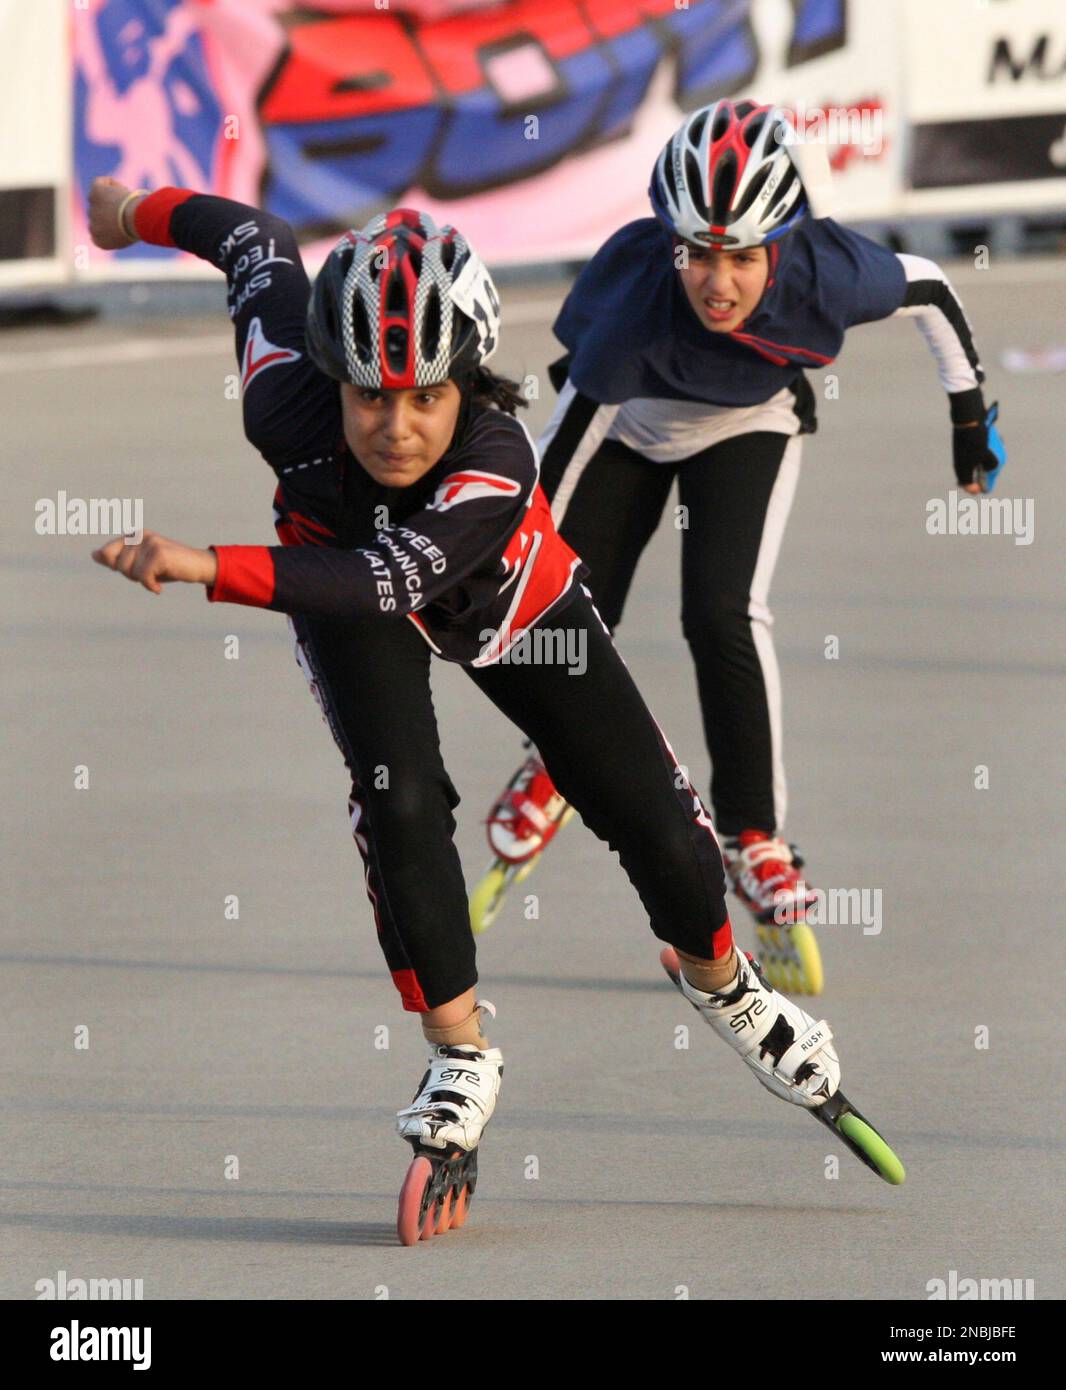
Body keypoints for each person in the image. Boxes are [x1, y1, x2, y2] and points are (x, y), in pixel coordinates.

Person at [87, 174, 857, 1243]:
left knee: (659, 833)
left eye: (425, 398)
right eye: (368, 396)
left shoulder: (496, 458)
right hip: (342, 586)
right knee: (398, 803)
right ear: (330, 374)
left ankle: (730, 992)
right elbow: (251, 240)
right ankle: (459, 1055)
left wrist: (204, 563)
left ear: (468, 387)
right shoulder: (281, 389)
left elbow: (393, 578)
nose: (395, 427)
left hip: (500, 602)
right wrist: (128, 213)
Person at [477, 99, 1006, 994]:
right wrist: (494, 560)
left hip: (750, 425)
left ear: (782, 246)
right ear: (672, 243)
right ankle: (557, 762)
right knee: (562, 603)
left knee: (721, 611)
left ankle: (754, 836)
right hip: (630, 426)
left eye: (743, 258)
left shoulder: (829, 273)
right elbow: (558, 459)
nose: (718, 282)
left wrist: (967, 418)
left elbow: (936, 292)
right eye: (698, 255)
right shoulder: (636, 307)